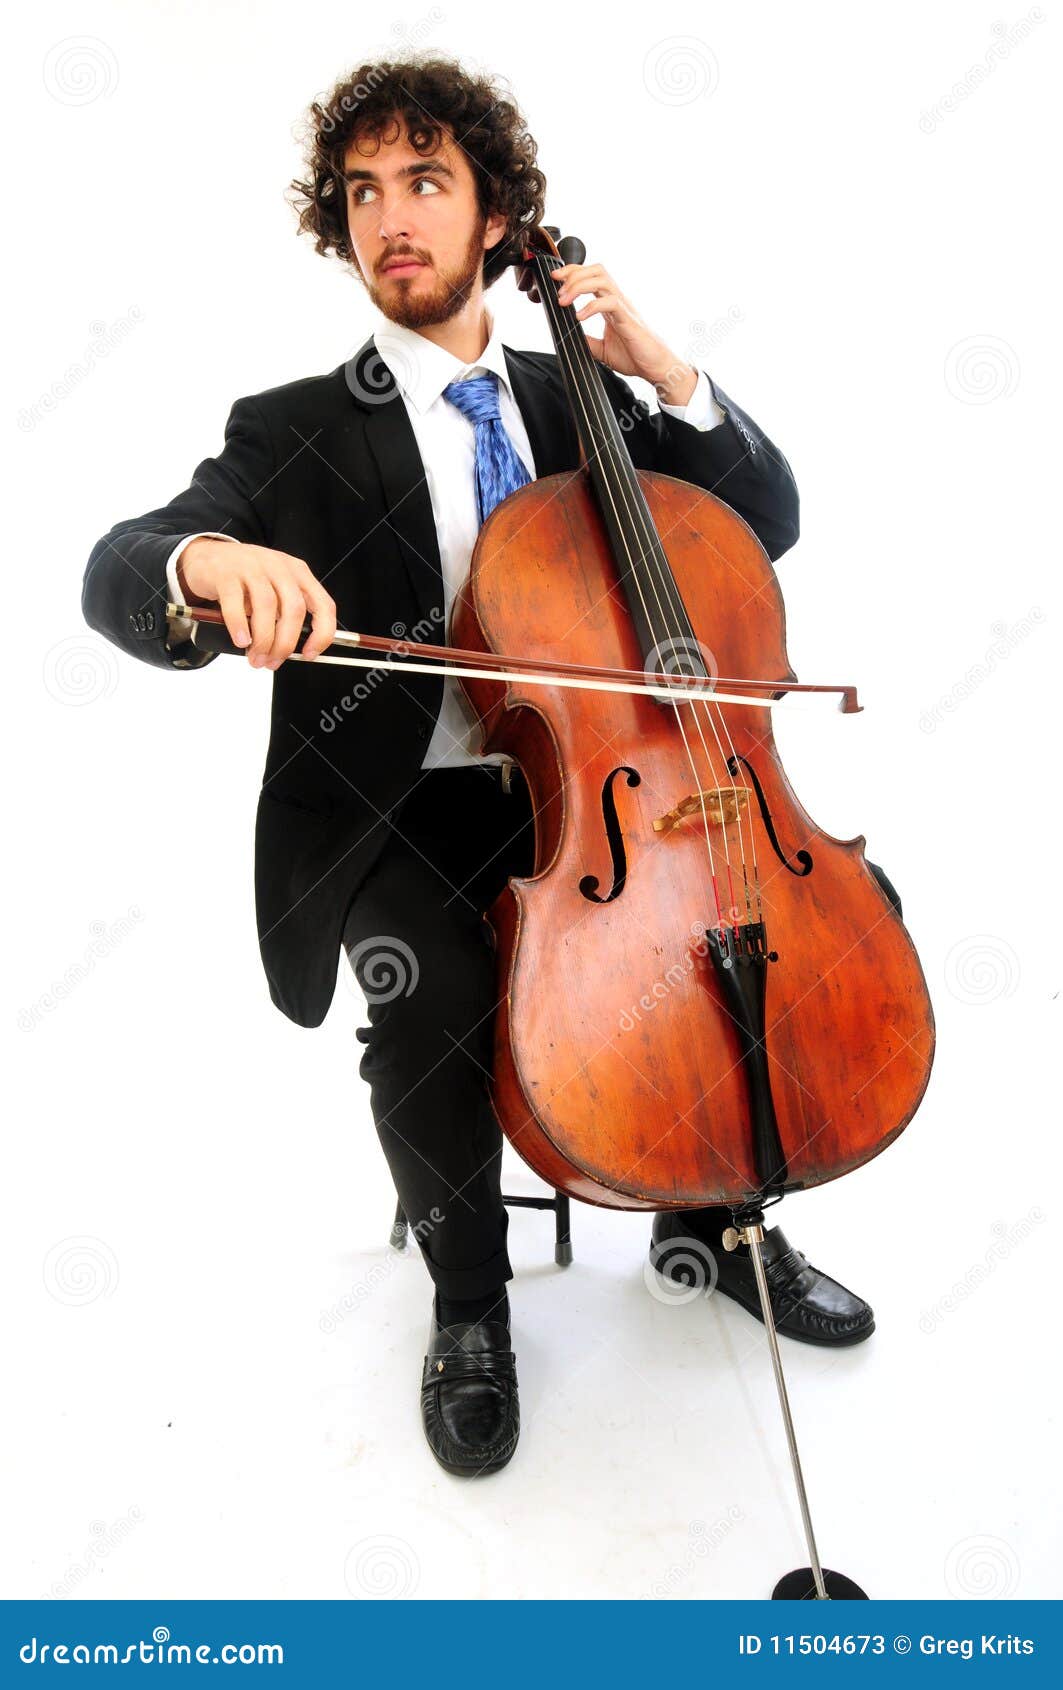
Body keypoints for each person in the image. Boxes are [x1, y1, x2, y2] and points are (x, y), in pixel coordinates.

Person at [83, 54, 885, 1481]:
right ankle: (468, 1302)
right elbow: (121, 568)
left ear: (496, 216)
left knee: (754, 936)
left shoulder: (577, 400)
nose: (392, 215)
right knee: (433, 982)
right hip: (408, 801)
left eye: (427, 182)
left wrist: (667, 369)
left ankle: (722, 1216)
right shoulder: (295, 430)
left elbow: (763, 516)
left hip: (621, 782)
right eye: (364, 192)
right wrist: (213, 562)